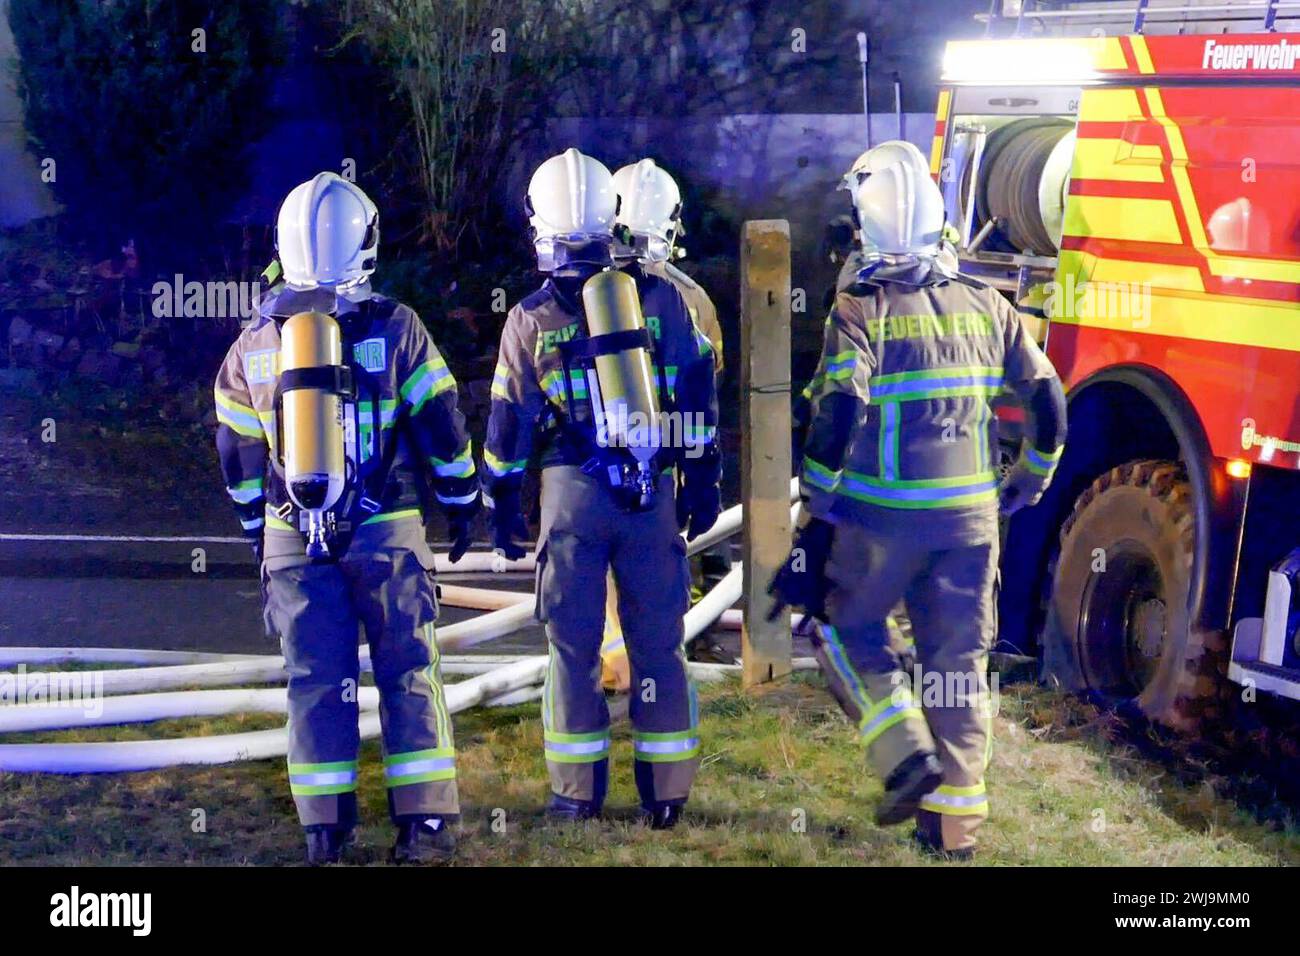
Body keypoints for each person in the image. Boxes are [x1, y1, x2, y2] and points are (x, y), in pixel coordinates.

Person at [769, 159, 1067, 860]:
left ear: (867, 234)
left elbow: (840, 408)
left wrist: (818, 493)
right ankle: (954, 829)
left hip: (880, 519)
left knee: (845, 630)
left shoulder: (859, 308)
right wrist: (1033, 475)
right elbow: (1048, 399)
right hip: (970, 521)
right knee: (957, 663)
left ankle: (903, 755)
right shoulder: (992, 305)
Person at [214, 172, 479, 864]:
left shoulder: (253, 346)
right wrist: (461, 503)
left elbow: (236, 454)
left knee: (313, 682)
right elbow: (442, 427)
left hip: (292, 540)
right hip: (386, 530)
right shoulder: (397, 328)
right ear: (363, 243)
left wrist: (259, 534)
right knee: (408, 670)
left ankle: (324, 831)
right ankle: (425, 828)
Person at [484, 148, 721, 828]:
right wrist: (702, 479)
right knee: (658, 646)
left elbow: (509, 424)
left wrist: (501, 506)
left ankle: (574, 796)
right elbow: (698, 393)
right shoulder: (662, 298)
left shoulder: (530, 318)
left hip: (572, 499)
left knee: (572, 650)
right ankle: (666, 794)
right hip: (652, 495)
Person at [611, 158, 730, 667]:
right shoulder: (688, 296)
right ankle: (691, 640)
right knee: (686, 549)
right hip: (672, 455)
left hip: (600, 458)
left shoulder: (586, 291)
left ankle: (617, 656)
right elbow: (707, 380)